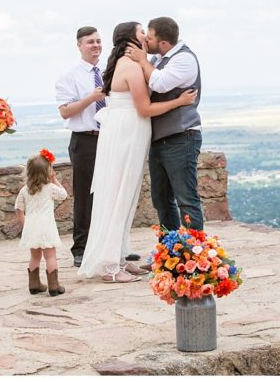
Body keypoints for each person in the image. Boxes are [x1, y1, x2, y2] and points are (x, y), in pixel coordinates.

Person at [78, 22, 197, 283]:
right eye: (142, 32)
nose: (146, 36)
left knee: (125, 193)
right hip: (128, 132)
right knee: (120, 194)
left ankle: (119, 256)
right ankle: (110, 265)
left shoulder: (127, 62)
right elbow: (144, 108)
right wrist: (180, 101)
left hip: (127, 131)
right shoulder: (131, 66)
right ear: (131, 38)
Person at [56, 26, 137, 268]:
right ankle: (80, 248)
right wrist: (91, 97)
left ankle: (116, 247)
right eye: (90, 42)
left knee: (113, 194)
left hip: (111, 137)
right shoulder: (69, 78)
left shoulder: (110, 72)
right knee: (85, 196)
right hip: (86, 140)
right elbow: (65, 111)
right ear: (79, 45)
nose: (96, 45)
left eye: (99, 41)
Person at [125, 17, 204, 235]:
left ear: (163, 43)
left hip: (181, 137)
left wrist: (142, 61)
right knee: (161, 200)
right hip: (159, 140)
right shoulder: (159, 59)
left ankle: (194, 254)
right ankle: (168, 254)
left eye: (149, 38)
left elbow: (159, 83)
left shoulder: (184, 59)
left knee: (186, 199)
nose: (146, 42)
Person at [15, 149, 68, 296]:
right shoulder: (50, 188)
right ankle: (53, 285)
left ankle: (33, 284)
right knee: (50, 256)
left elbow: (18, 208)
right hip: (46, 227)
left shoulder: (25, 191)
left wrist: (24, 224)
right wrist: (55, 180)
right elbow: (64, 195)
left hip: (31, 227)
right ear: (47, 172)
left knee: (35, 256)